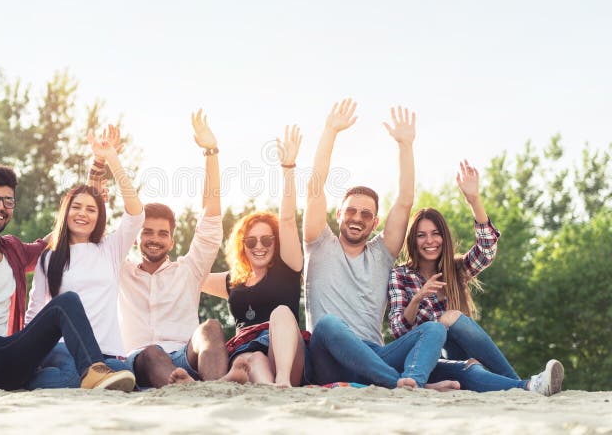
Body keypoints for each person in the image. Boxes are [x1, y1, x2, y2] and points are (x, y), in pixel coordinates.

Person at [0, 70, 134, 392]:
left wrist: (97, 170)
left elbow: (74, 223)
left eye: (7, 201)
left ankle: (94, 371)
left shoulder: (16, 253)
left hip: (5, 358)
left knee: (67, 301)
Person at [304, 100, 457, 390]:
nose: (356, 218)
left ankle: (411, 382)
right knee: (328, 325)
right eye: (350, 211)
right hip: (329, 358)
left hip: (375, 357)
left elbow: (405, 202)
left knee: (434, 329)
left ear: (375, 223)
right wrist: (330, 131)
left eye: (365, 214)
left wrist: (405, 145)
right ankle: (400, 385)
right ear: (339, 214)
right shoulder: (319, 244)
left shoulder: (381, 253)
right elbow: (314, 191)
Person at [389, 160, 564, 395]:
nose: (429, 241)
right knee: (455, 336)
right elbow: (399, 330)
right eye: (421, 235)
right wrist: (418, 298)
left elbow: (487, 249)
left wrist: (474, 200)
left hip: (457, 354)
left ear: (444, 238)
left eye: (435, 234)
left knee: (461, 337)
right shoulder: (400, 275)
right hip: (423, 360)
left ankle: (528, 386)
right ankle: (526, 385)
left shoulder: (455, 270)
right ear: (413, 240)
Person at [117, 111, 248, 387]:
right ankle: (181, 388)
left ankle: (214, 388)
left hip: (186, 356)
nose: (155, 239)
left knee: (211, 327)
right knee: (152, 351)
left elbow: (210, 219)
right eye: (147, 232)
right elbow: (95, 233)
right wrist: (106, 161)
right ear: (136, 237)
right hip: (143, 360)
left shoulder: (188, 271)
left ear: (172, 241)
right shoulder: (120, 271)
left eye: (162, 234)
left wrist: (211, 152)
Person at [24, 125, 144, 389]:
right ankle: (23, 380)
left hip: (108, 352)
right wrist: (26, 354)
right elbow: (34, 312)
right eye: (76, 207)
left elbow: (136, 214)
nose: (83, 213)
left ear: (99, 216)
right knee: (70, 377)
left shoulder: (110, 250)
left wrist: (111, 158)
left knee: (124, 374)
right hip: (63, 348)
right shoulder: (49, 257)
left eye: (91, 209)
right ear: (65, 213)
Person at [202, 125, 306, 387]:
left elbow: (288, 219)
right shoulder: (234, 281)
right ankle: (266, 387)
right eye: (251, 240)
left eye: (267, 239)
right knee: (251, 359)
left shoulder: (288, 268)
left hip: (285, 357)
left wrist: (288, 169)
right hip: (248, 355)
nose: (259, 246)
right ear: (242, 245)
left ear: (276, 242)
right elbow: (192, 274)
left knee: (281, 313)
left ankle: (281, 381)